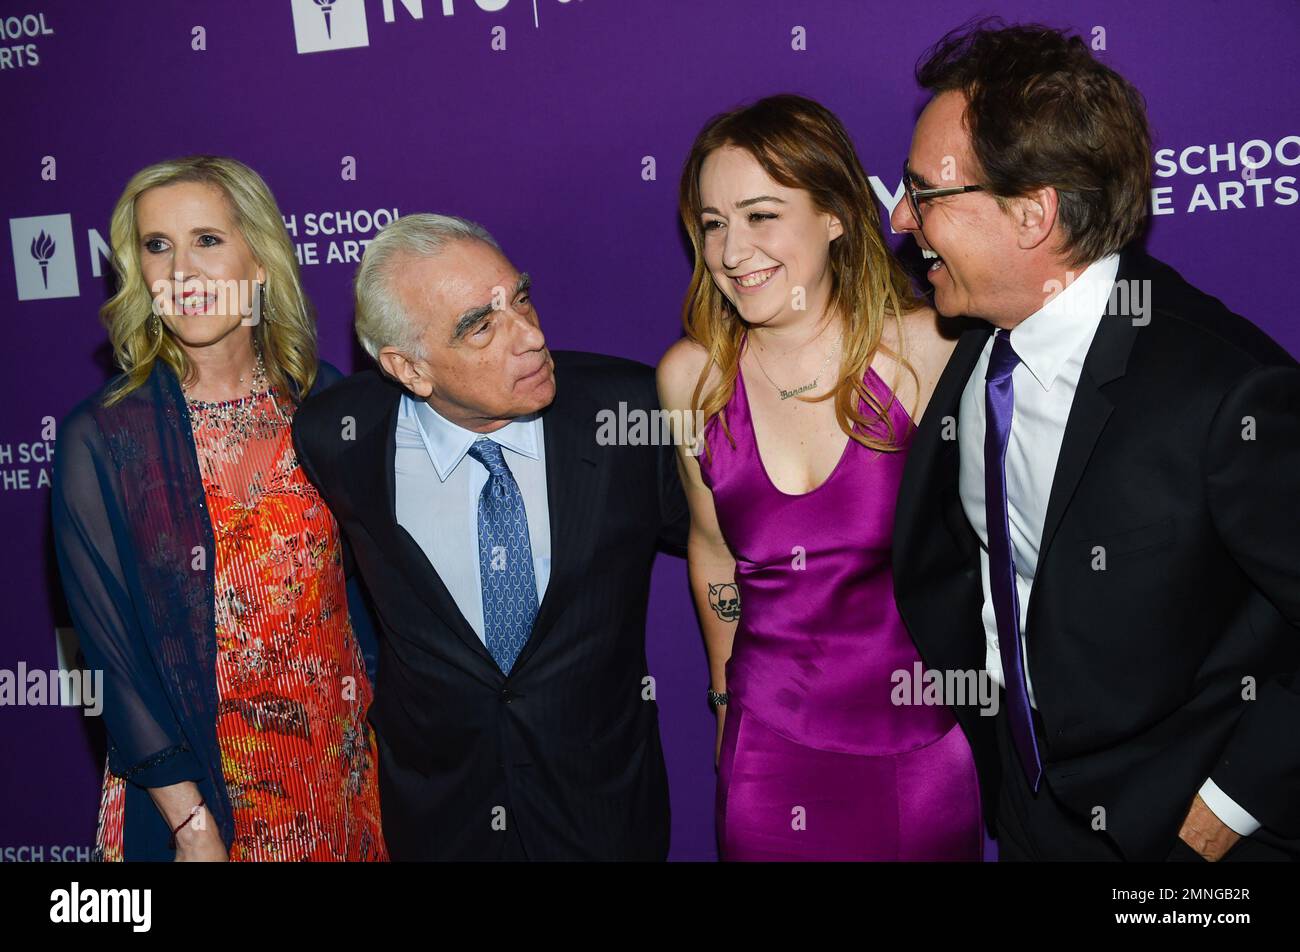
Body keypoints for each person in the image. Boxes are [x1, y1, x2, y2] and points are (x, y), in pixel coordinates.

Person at [890, 20, 1300, 861]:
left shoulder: (1225, 391)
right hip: (1030, 807)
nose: (901, 218)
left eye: (923, 192)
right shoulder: (979, 345)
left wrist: (1229, 804)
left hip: (1186, 836)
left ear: (1033, 213)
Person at [291, 213, 689, 861]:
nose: (531, 336)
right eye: (481, 326)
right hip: (439, 817)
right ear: (408, 368)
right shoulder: (338, 437)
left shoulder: (632, 414)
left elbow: (737, 549)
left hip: (602, 811)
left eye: (521, 298)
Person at [657, 94, 983, 861]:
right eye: (711, 224)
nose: (733, 251)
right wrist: (722, 705)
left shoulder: (930, 350)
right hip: (767, 748)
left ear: (836, 213)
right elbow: (711, 551)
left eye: (762, 216)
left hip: (920, 742)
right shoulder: (691, 379)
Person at [51, 155, 386, 862]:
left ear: (259, 262)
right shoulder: (107, 436)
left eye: (207, 240)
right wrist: (189, 823)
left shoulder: (324, 404)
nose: (181, 271)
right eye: (157, 246)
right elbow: (112, 656)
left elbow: (371, 596)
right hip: (198, 789)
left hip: (338, 774)